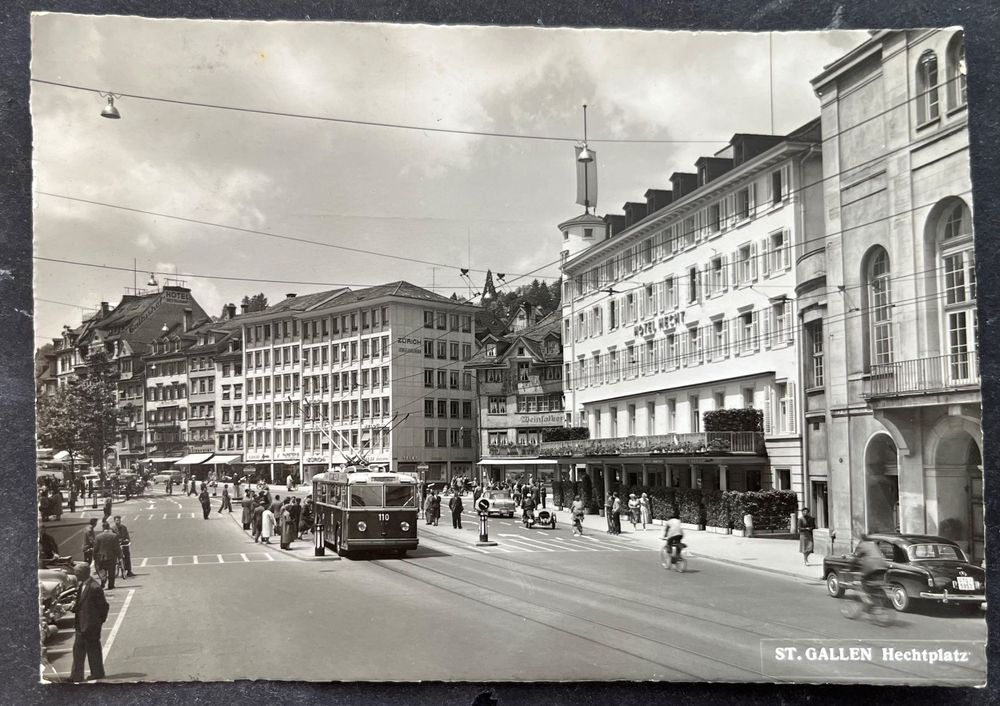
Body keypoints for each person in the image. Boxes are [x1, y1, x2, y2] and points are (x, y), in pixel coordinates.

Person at [68, 563, 108, 683]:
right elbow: (80, 603)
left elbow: (104, 607)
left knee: (92, 650)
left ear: (84, 573)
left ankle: (96, 673)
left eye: (77, 573)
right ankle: (77, 675)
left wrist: (98, 623)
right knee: (78, 650)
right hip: (81, 624)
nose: (75, 575)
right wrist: (73, 607)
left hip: (91, 625)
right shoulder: (83, 585)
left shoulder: (94, 587)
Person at [93, 522, 122, 590]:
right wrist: (119, 556)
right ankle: (111, 585)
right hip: (111, 556)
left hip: (101, 557)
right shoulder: (114, 536)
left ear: (103, 528)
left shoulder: (98, 536)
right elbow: (117, 547)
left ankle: (103, 578)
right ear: (109, 527)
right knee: (111, 571)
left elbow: (95, 549)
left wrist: (94, 557)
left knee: (101, 569)